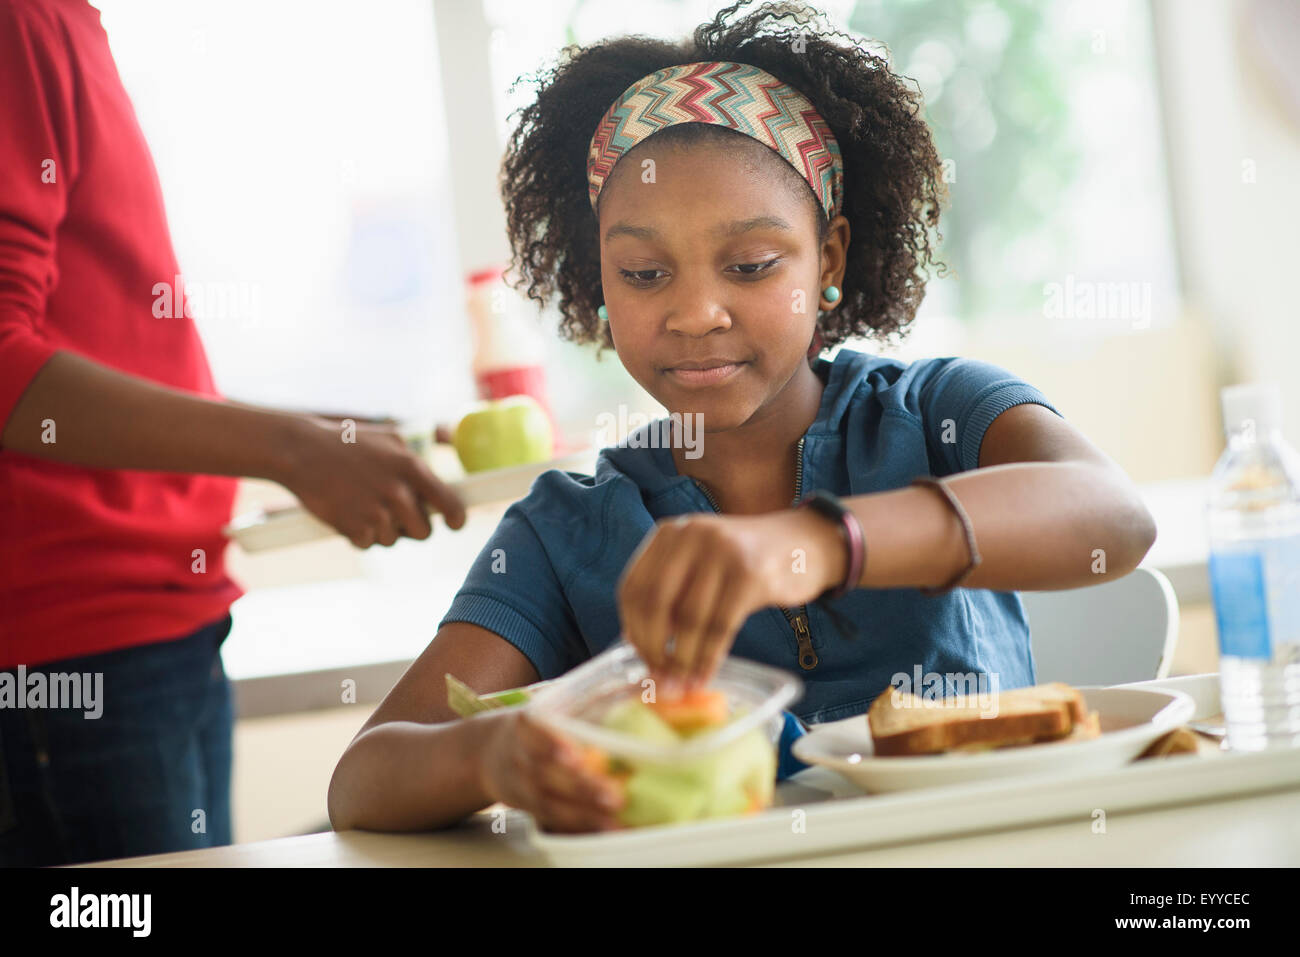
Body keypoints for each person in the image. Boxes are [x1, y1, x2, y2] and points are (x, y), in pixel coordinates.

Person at [327, 1, 1156, 835]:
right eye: (645, 272)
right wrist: (494, 753)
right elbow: (364, 780)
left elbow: (1114, 517)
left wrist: (819, 544)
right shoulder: (566, 530)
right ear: (599, 283)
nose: (696, 312)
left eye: (751, 265)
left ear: (826, 259)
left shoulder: (939, 415)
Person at [0, 0, 466, 866]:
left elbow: (94, 344)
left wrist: (308, 433)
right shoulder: (21, 23)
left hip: (150, 626)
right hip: (72, 649)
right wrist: (290, 450)